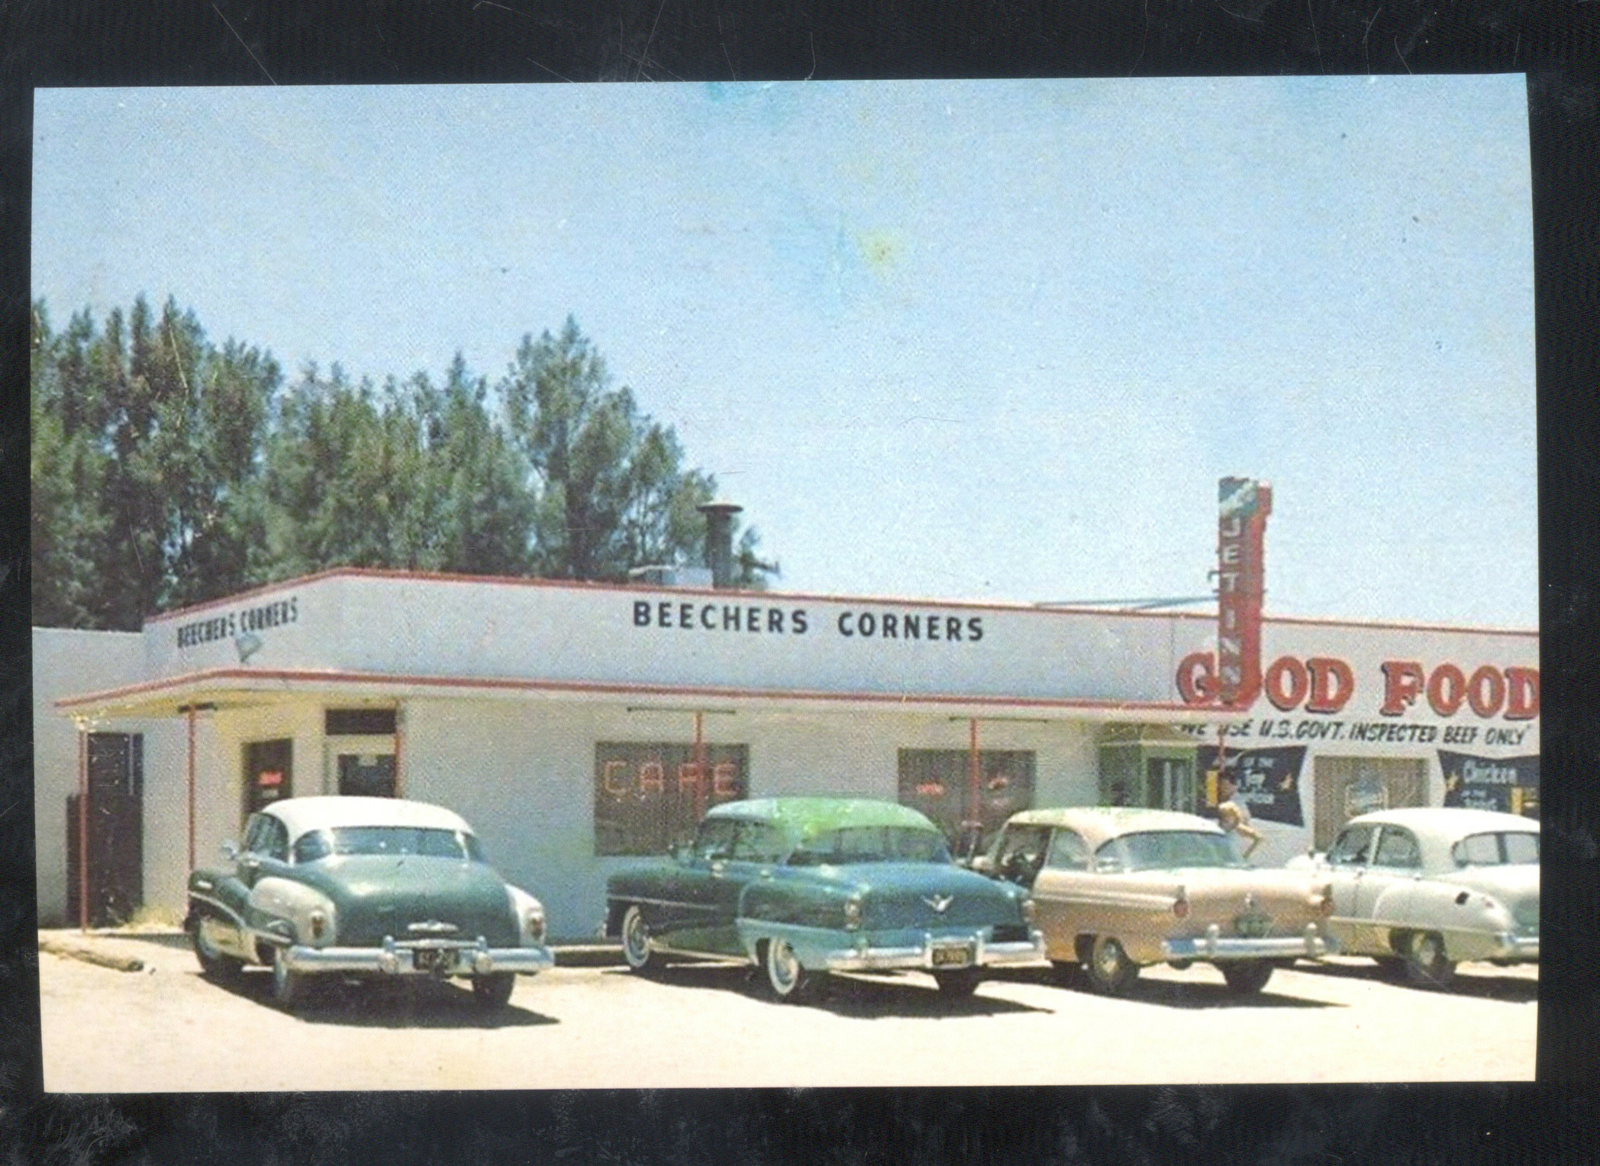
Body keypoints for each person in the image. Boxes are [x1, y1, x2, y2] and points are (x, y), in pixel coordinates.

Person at [1216, 773, 1263, 860]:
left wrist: (1245, 856)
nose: (1222, 789)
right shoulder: (1225, 800)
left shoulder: (1236, 803)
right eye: (1220, 785)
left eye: (1226, 786)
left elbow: (1242, 823)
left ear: (1234, 786)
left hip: (1231, 848)